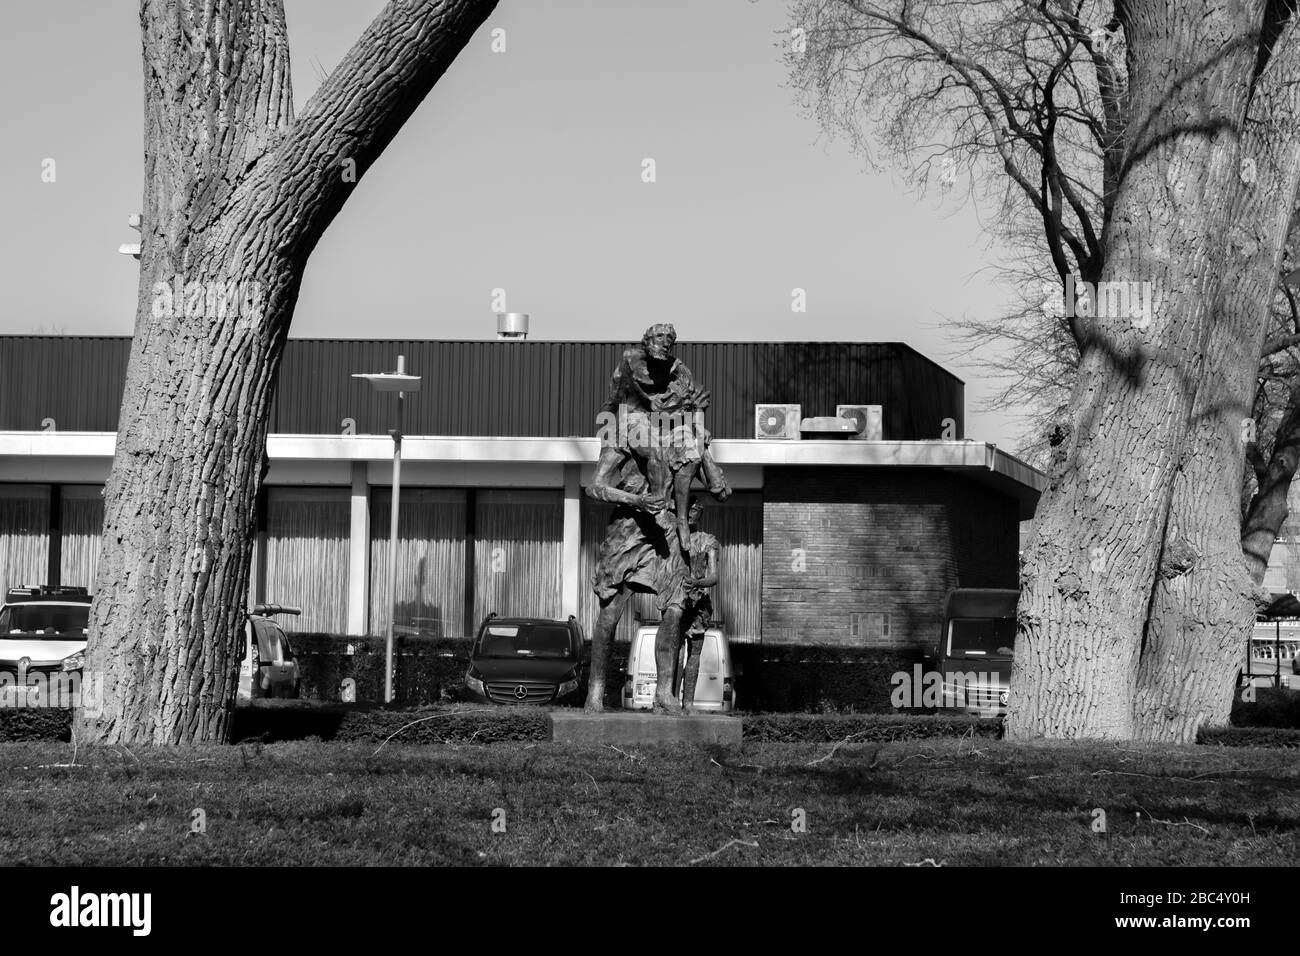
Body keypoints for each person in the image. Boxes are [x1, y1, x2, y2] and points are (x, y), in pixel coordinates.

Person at [654, 496, 720, 715]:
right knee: (675, 652)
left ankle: (689, 703)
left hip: (698, 603)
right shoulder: (671, 539)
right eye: (687, 508)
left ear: (700, 513)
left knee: (694, 654)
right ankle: (667, 698)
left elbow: (714, 576)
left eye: (696, 509)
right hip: (675, 599)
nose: (691, 512)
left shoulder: (707, 540)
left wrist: (698, 582)